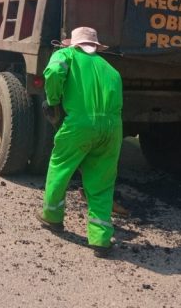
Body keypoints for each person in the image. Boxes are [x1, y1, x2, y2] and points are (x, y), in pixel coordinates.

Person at [36, 27, 123, 258]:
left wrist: (53, 101)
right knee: (102, 182)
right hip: (112, 129)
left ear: (74, 44)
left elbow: (54, 72)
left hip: (79, 126)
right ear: (96, 46)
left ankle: (52, 216)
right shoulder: (111, 69)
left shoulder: (66, 55)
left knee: (60, 168)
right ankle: (101, 239)